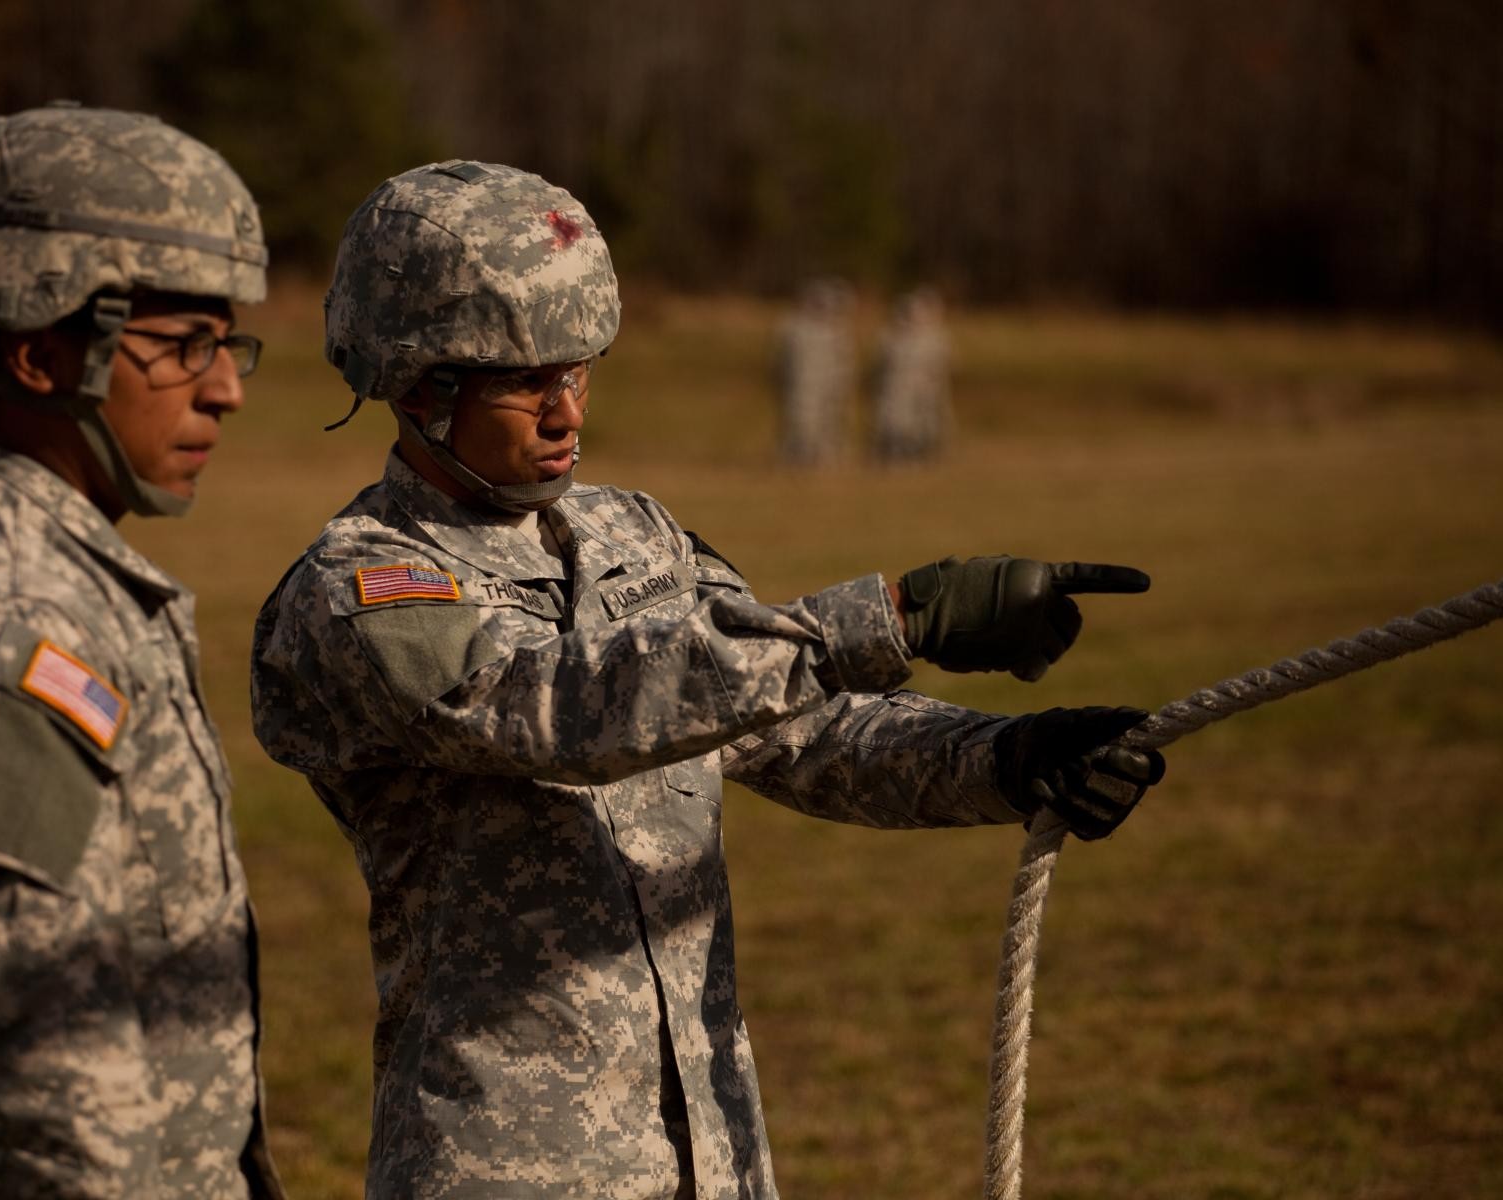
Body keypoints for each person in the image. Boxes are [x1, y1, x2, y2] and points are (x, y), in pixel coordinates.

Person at [250, 160, 1164, 1199]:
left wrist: (1007, 758)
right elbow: (569, 710)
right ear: (418, 383)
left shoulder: (636, 535)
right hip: (508, 1169)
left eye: (580, 369)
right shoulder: (361, 590)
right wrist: (895, 618)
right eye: (525, 379)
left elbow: (797, 732)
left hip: (714, 1155)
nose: (565, 412)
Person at [0, 103, 285, 1198]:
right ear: (38, 354)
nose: (227, 387)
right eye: (185, 347)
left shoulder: (70, 585)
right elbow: (47, 1075)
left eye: (229, 342)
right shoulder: (6, 624)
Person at [774, 276, 855, 466]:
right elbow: (782, 361)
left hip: (827, 389)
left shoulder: (837, 331)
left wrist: (841, 385)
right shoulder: (794, 328)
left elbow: (844, 363)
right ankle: (795, 461)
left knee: (828, 425)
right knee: (799, 424)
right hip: (800, 387)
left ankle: (824, 462)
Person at [872, 286, 952, 464]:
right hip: (897, 391)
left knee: (926, 425)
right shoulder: (890, 338)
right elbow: (882, 367)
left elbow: (941, 369)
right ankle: (893, 455)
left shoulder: (936, 340)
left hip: (925, 392)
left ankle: (924, 455)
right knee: (895, 423)